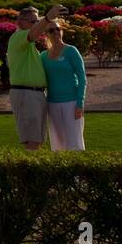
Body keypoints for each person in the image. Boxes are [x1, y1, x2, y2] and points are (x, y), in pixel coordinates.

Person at [5, 5, 62, 150]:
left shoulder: (27, 44)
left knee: (35, 140)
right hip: (27, 94)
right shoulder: (18, 37)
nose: (37, 24)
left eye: (37, 21)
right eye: (34, 21)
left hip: (32, 94)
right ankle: (29, 172)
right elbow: (33, 33)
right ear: (20, 22)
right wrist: (48, 18)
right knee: (32, 141)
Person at [40, 20, 87, 151]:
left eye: (58, 29)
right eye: (51, 30)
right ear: (46, 34)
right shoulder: (43, 56)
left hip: (71, 103)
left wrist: (80, 103)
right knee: (57, 144)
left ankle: (77, 171)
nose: (56, 32)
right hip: (52, 104)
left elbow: (82, 78)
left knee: (74, 143)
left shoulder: (71, 51)